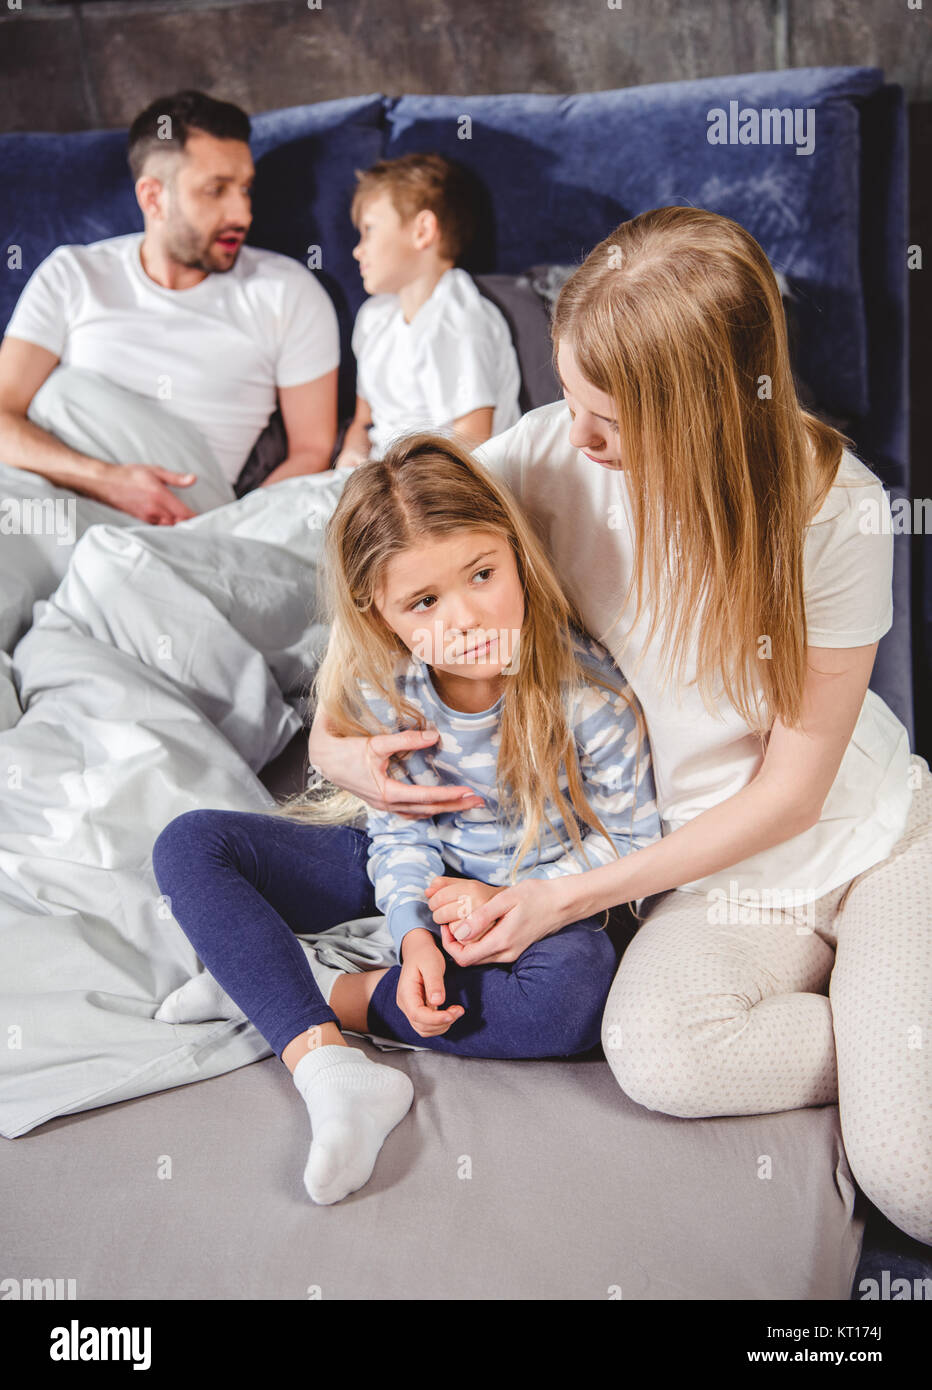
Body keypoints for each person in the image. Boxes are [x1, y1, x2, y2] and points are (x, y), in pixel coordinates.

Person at [305, 206, 932, 1247]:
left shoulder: (839, 511)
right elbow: (382, 567)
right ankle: (890, 1036)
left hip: (868, 846)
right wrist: (334, 747)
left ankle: (895, 1031)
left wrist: (559, 897)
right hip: (698, 879)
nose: (577, 435)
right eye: (568, 395)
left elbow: (793, 795)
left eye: (609, 417)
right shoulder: (546, 458)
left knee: (910, 1180)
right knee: (656, 1055)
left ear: (705, 412)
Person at [151, 431, 660, 1205]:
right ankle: (327, 1065)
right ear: (382, 614)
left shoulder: (587, 696)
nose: (467, 618)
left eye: (483, 574)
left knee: (573, 997)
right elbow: (398, 827)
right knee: (192, 845)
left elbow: (632, 842)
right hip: (412, 877)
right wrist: (413, 929)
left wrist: (507, 899)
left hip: (538, 900)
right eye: (425, 602)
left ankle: (299, 991)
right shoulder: (394, 688)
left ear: (515, 552)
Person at [0, 90, 339, 526]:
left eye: (245, 189)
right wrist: (106, 481)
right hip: (57, 495)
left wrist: (223, 534)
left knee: (60, 393)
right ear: (153, 197)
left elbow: (311, 451)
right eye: (216, 190)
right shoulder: (74, 274)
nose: (242, 214)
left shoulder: (286, 291)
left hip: (186, 517)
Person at [334, 154, 521, 469]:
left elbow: (472, 443)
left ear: (423, 230)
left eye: (369, 230)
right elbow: (364, 422)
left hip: (435, 483)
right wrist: (350, 457)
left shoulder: (460, 319)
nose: (357, 249)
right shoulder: (373, 318)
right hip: (376, 474)